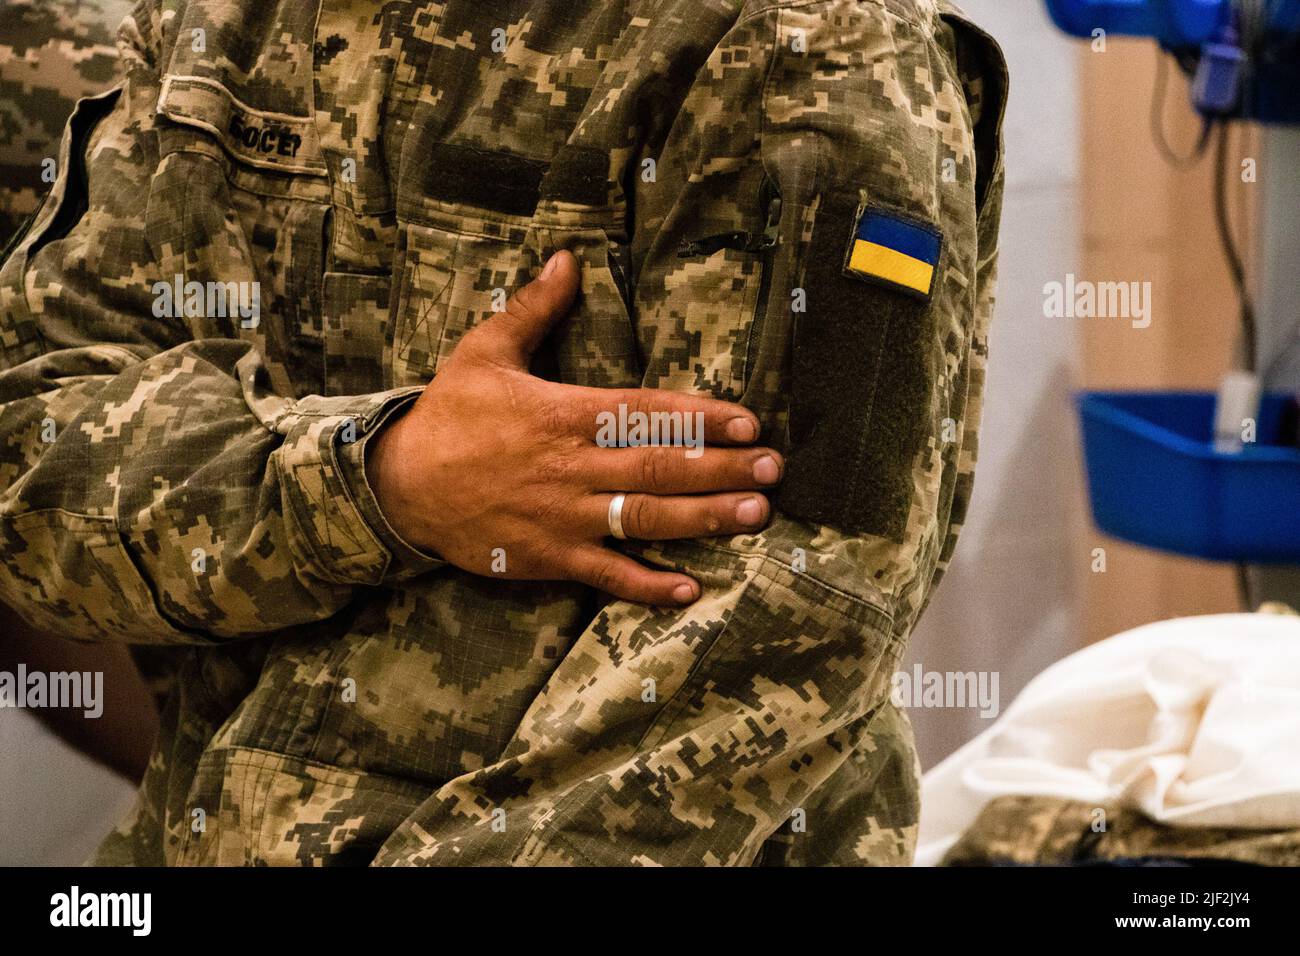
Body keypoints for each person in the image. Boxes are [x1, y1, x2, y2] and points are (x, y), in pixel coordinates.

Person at [0, 0, 1007, 866]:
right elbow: (31, 460)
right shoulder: (222, 29)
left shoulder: (800, 42)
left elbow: (798, 609)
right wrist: (378, 480)